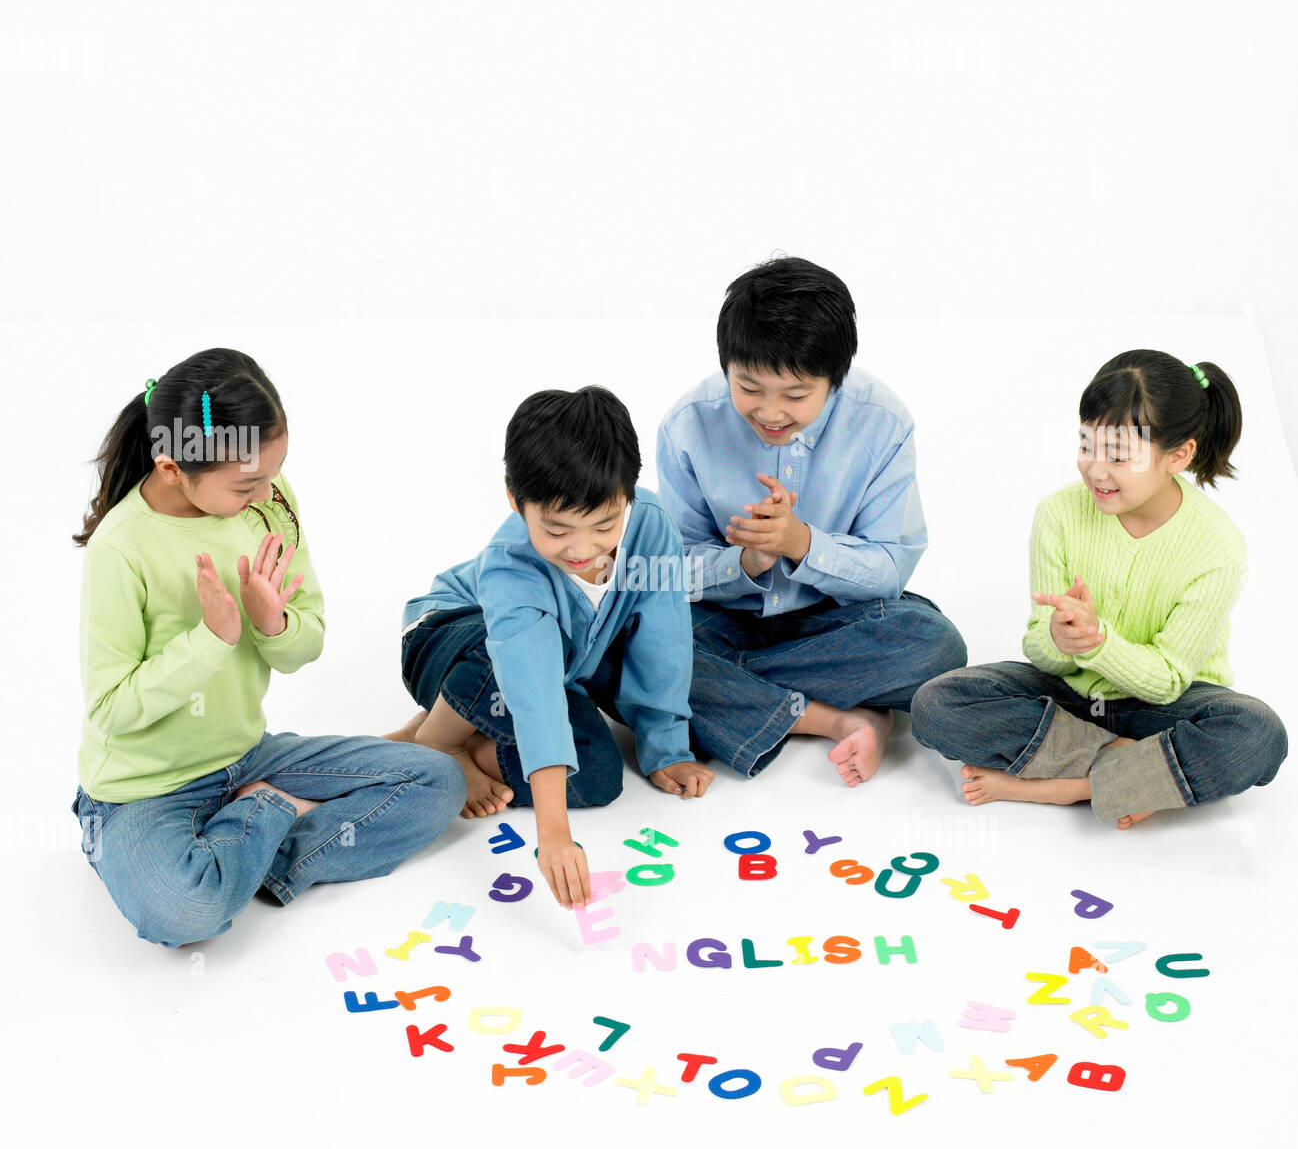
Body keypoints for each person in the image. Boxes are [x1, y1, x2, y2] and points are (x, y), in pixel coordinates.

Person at [72, 349, 465, 946]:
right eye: (245, 485)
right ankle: (263, 820)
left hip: (246, 759)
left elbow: (302, 646)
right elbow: (112, 710)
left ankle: (241, 842)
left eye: (271, 474)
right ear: (173, 466)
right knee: (181, 916)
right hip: (142, 792)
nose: (265, 495)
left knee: (437, 783)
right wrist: (210, 641)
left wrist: (272, 624)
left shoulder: (271, 502)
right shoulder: (120, 547)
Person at [909, 349, 1288, 826]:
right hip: (1071, 697)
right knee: (936, 704)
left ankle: (1072, 788)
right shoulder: (1059, 513)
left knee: (1258, 734)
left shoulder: (1217, 546)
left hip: (1164, 708)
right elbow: (1040, 649)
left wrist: (1099, 642)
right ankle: (1136, 774)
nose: (1095, 469)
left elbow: (1169, 680)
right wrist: (1060, 640)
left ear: (1179, 455)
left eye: (1119, 455)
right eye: (1087, 445)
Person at [391, 384, 714, 910]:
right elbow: (534, 682)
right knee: (521, 662)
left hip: (554, 665)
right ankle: (438, 742)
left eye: (605, 525)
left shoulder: (651, 527)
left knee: (602, 776)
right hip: (451, 638)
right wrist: (554, 832)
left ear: (629, 494)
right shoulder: (510, 564)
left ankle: (451, 738)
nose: (582, 550)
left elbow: (664, 640)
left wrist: (665, 748)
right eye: (557, 530)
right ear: (515, 501)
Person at [655, 255, 967, 785]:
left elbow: (890, 568)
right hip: (723, 620)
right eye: (749, 388)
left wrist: (801, 543)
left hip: (831, 620)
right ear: (727, 365)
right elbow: (675, 569)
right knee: (627, 636)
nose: (771, 412)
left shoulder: (882, 421)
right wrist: (746, 563)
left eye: (797, 395)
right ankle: (842, 713)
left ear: (835, 379)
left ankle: (721, 696)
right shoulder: (687, 425)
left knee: (937, 646)